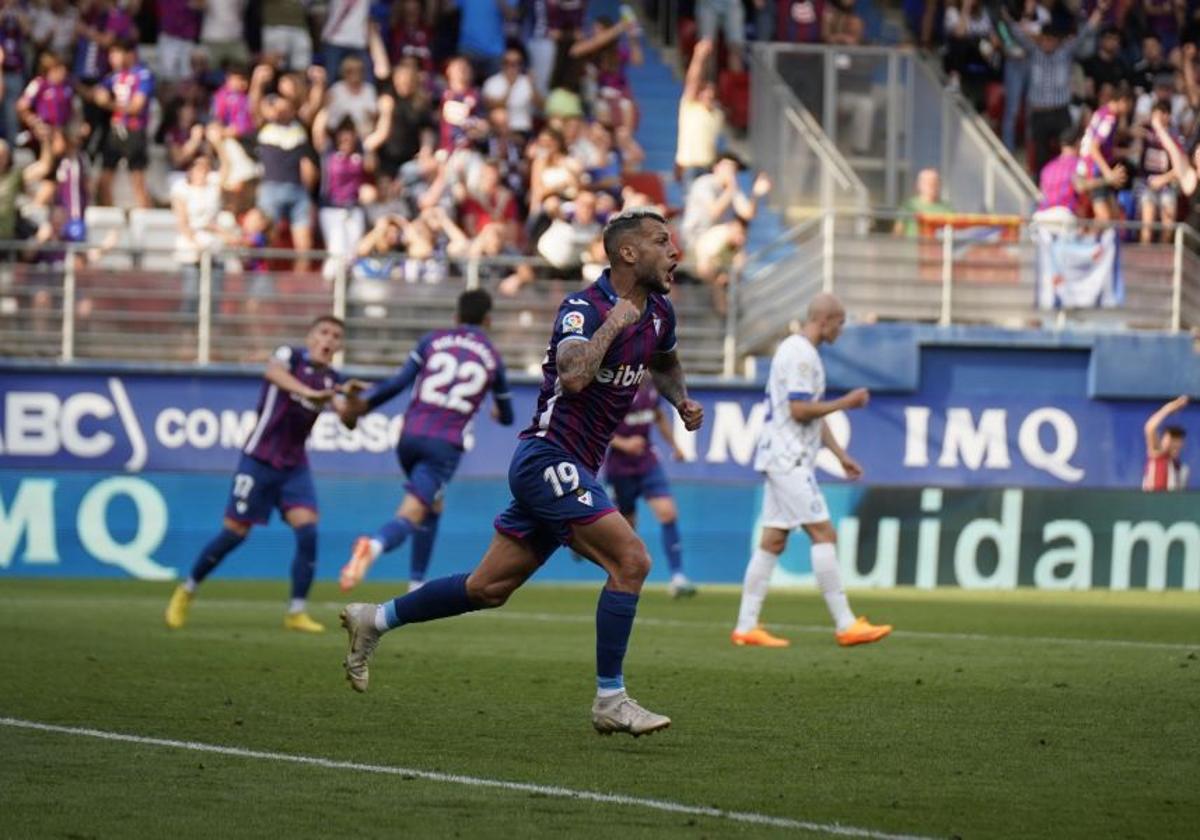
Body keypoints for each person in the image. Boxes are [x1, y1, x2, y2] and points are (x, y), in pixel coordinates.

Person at [337, 209, 704, 739]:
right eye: (662, 241)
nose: (675, 252)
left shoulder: (661, 312)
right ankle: (610, 698)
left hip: (572, 465)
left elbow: (664, 362)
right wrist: (615, 323)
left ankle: (376, 619)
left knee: (488, 588)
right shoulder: (583, 307)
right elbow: (575, 376)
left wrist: (682, 400)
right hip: (547, 457)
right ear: (628, 252)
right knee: (631, 559)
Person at [164, 316, 366, 632]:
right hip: (259, 459)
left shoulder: (332, 380)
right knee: (234, 533)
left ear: (339, 346)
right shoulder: (290, 356)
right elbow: (273, 373)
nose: (329, 339)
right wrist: (308, 394)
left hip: (294, 467)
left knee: (308, 531)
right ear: (311, 337)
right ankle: (187, 590)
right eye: (324, 332)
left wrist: (352, 397)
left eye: (336, 336)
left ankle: (296, 611)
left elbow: (349, 420)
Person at [731, 293, 891, 648]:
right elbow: (801, 410)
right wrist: (846, 403)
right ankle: (846, 624)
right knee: (824, 533)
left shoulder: (802, 352)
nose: (842, 329)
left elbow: (810, 415)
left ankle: (745, 626)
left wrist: (840, 454)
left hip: (784, 456)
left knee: (773, 540)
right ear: (825, 319)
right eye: (841, 322)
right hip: (788, 459)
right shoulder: (801, 353)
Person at [338, 289, 515, 592]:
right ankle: (374, 546)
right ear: (488, 320)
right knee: (412, 512)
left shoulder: (433, 340)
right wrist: (498, 412)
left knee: (434, 505)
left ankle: (416, 583)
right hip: (443, 445)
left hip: (408, 437)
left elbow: (399, 382)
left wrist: (365, 406)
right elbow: (509, 415)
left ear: (456, 317)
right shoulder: (492, 357)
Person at [603, 379, 696, 599]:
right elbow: (598, 426)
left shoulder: (652, 389)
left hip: (646, 461)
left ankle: (677, 577)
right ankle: (618, 570)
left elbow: (659, 417)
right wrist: (624, 444)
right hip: (620, 467)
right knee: (626, 526)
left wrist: (676, 446)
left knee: (668, 511)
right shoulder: (615, 390)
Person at [1143, 396, 1189, 491]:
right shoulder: (1158, 456)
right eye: (1170, 439)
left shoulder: (1181, 469)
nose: (1173, 443)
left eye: (1177, 439)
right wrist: (1168, 409)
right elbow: (1150, 428)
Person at [893, 168, 952, 237]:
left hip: (938, 246)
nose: (931, 185)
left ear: (939, 185)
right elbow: (898, 230)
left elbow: (956, 231)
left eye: (934, 182)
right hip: (912, 246)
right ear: (919, 185)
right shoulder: (909, 205)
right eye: (927, 182)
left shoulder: (947, 207)